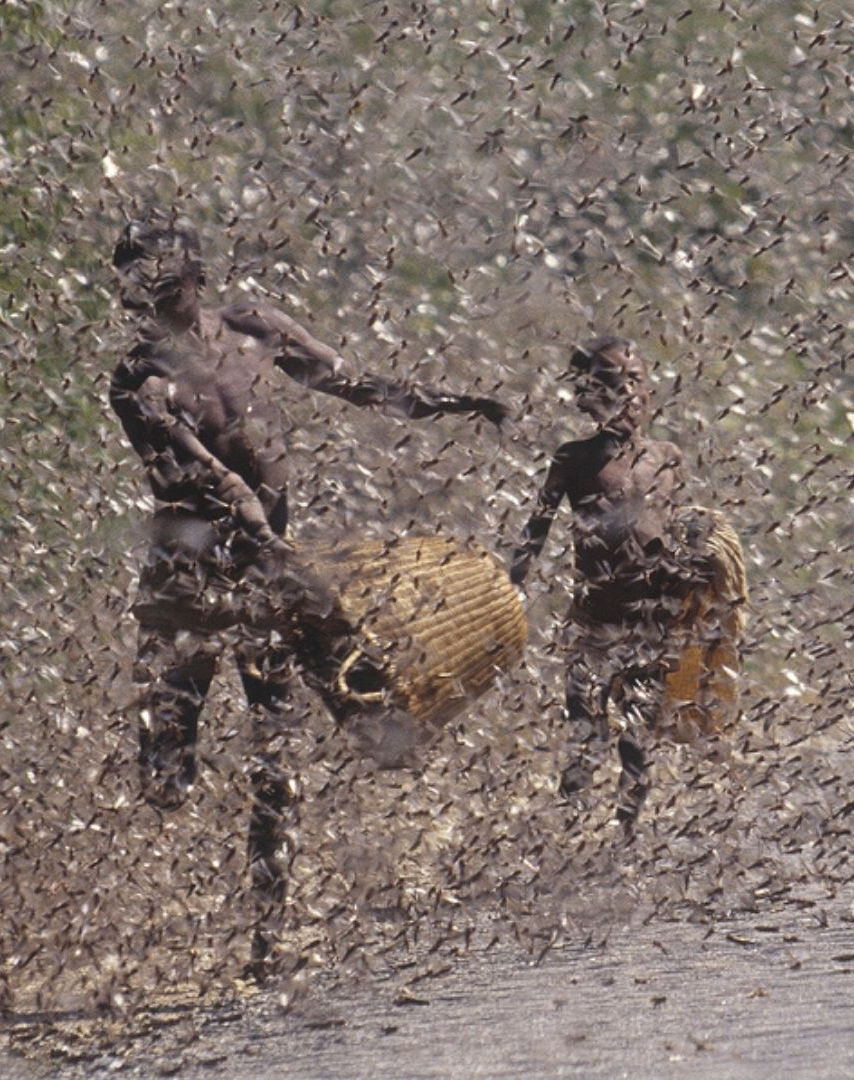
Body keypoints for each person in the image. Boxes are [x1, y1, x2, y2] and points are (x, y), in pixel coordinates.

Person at [107, 216, 508, 969]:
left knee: (275, 748)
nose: (146, 298)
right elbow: (198, 471)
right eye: (134, 286)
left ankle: (269, 932)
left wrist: (451, 404)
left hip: (265, 572)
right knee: (168, 773)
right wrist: (253, 522)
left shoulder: (256, 330)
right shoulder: (135, 378)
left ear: (196, 275)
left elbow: (358, 385)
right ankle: (148, 904)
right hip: (187, 575)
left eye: (160, 279)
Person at [508, 336, 713, 835]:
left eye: (634, 380)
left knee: (638, 739)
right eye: (607, 383)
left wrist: (704, 572)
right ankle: (567, 834)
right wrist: (508, 588)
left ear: (650, 391)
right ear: (585, 396)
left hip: (651, 622)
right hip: (593, 621)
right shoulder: (574, 460)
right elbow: (535, 531)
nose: (624, 392)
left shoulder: (667, 458)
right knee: (586, 734)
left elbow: (680, 527)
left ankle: (624, 838)